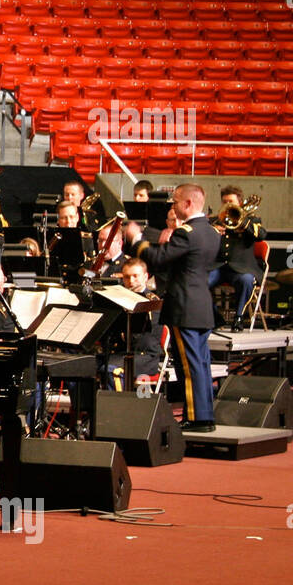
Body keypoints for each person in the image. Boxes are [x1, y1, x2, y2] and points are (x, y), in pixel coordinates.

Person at [127, 183, 221, 432]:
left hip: (185, 307)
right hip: (202, 305)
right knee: (201, 364)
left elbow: (158, 258)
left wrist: (137, 239)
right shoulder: (211, 232)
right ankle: (205, 415)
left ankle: (197, 419)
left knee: (189, 366)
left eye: (176, 200)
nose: (172, 204)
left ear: (188, 203)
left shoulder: (186, 233)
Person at [208, 185, 265, 329]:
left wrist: (243, 222)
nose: (228, 204)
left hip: (241, 268)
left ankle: (239, 317)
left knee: (246, 280)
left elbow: (262, 235)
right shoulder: (215, 221)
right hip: (218, 267)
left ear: (239, 203)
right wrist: (212, 231)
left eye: (231, 201)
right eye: (225, 201)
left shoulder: (252, 220)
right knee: (198, 281)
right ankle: (215, 317)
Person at [106, 257, 164, 391]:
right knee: (84, 365)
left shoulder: (152, 302)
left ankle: (117, 405)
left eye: (135, 276)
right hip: (122, 353)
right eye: (127, 277)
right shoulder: (119, 300)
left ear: (145, 277)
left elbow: (145, 339)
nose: (131, 281)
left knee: (111, 369)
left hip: (145, 356)